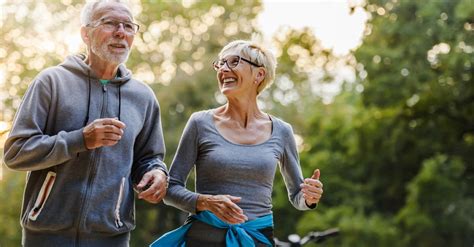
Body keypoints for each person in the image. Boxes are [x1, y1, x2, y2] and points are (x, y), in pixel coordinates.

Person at [3, 1, 168, 246]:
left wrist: (156, 173)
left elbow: (149, 157)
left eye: (128, 26)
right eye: (110, 23)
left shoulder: (143, 96)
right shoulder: (52, 82)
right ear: (85, 33)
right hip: (47, 235)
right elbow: (16, 153)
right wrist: (80, 140)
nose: (121, 32)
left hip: (112, 236)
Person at [151, 40, 324, 247]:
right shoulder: (200, 123)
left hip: (258, 239)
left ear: (259, 74)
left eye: (234, 62)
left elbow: (297, 196)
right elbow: (170, 189)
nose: (224, 69)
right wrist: (206, 202)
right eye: (221, 63)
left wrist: (308, 198)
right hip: (204, 239)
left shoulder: (282, 131)